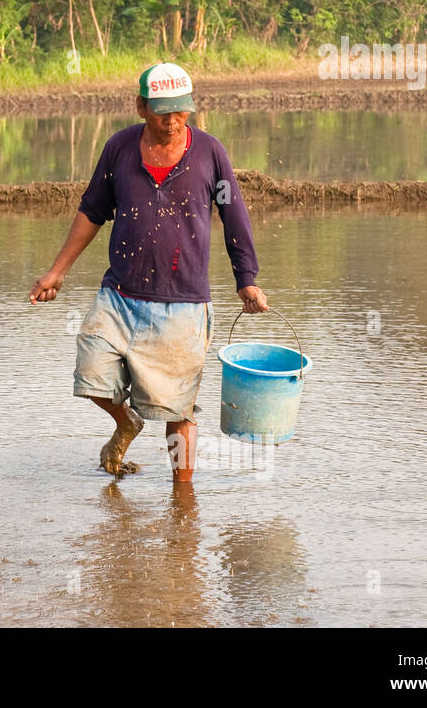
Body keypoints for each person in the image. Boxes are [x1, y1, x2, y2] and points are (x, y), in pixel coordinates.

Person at [28, 62, 267, 481]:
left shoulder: (210, 153)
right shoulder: (119, 148)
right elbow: (92, 211)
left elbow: (235, 216)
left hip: (183, 303)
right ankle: (126, 422)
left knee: (179, 409)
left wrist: (245, 279)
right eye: (161, 111)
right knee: (91, 369)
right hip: (120, 295)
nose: (171, 121)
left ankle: (183, 498)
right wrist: (57, 271)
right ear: (141, 107)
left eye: (180, 111)